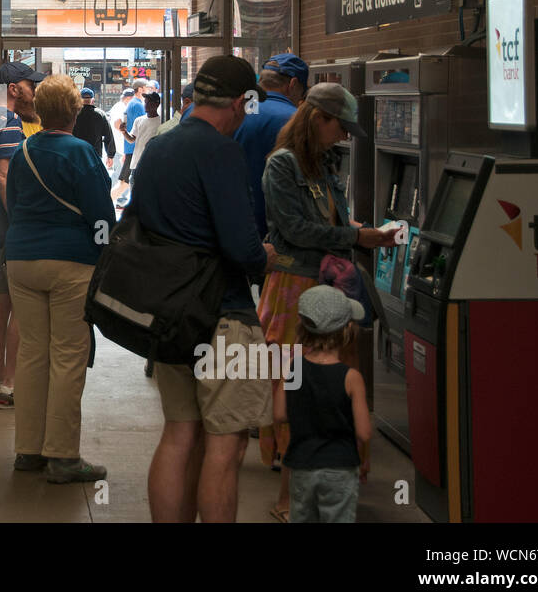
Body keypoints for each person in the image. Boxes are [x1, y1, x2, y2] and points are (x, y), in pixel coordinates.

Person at [134, 56, 277, 523]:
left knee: (179, 433)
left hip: (170, 316)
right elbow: (241, 246)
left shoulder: (159, 146)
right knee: (227, 443)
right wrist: (264, 257)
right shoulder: (221, 151)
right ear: (240, 102)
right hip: (224, 317)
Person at [258, 82, 397, 522]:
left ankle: (331, 484)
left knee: (333, 387)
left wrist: (369, 231)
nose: (343, 136)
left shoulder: (324, 163)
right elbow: (296, 230)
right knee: (296, 387)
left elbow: (332, 219)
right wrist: (357, 236)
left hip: (329, 285)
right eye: (340, 127)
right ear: (318, 118)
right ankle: (289, 496)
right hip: (293, 288)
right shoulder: (282, 167)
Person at [4, 75, 115, 482]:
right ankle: (63, 456)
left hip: (21, 258)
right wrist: (106, 254)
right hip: (71, 261)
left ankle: (27, 450)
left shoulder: (23, 151)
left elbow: (12, 206)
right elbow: (102, 215)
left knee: (32, 352)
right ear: (75, 110)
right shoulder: (81, 153)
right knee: (69, 354)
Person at [0, 61, 45, 410]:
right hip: (8, 226)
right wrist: (19, 220)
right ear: (14, 89)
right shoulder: (11, 121)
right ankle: (11, 384)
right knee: (18, 304)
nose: (34, 89)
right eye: (30, 83)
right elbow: (4, 176)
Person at [273, 285, 372, 523]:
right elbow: (364, 433)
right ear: (347, 330)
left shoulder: (293, 369)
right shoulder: (351, 378)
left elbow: (278, 414)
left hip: (301, 465)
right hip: (339, 467)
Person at [234, 53, 308, 239]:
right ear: (292, 84)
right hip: (279, 235)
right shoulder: (296, 120)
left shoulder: (237, 113)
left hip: (235, 227)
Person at [112, 79, 150, 205]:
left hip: (132, 149)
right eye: (146, 87)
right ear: (140, 89)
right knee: (124, 183)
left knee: (124, 182)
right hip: (134, 150)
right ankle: (102, 205)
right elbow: (141, 128)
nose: (148, 90)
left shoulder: (134, 104)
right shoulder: (137, 105)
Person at [72, 87, 117, 164]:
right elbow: (108, 135)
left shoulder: (73, 114)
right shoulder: (100, 114)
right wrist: (110, 155)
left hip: (76, 154)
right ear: (92, 100)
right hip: (94, 154)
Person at [128, 92, 162, 186]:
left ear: (157, 104)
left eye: (149, 102)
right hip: (136, 165)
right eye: (145, 102)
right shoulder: (139, 120)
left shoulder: (162, 122)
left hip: (152, 166)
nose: (146, 105)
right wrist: (123, 132)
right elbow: (131, 139)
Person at [106, 88, 133, 176]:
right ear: (128, 98)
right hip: (120, 148)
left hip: (120, 148)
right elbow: (117, 123)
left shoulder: (119, 106)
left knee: (121, 178)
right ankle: (111, 190)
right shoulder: (121, 107)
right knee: (120, 177)